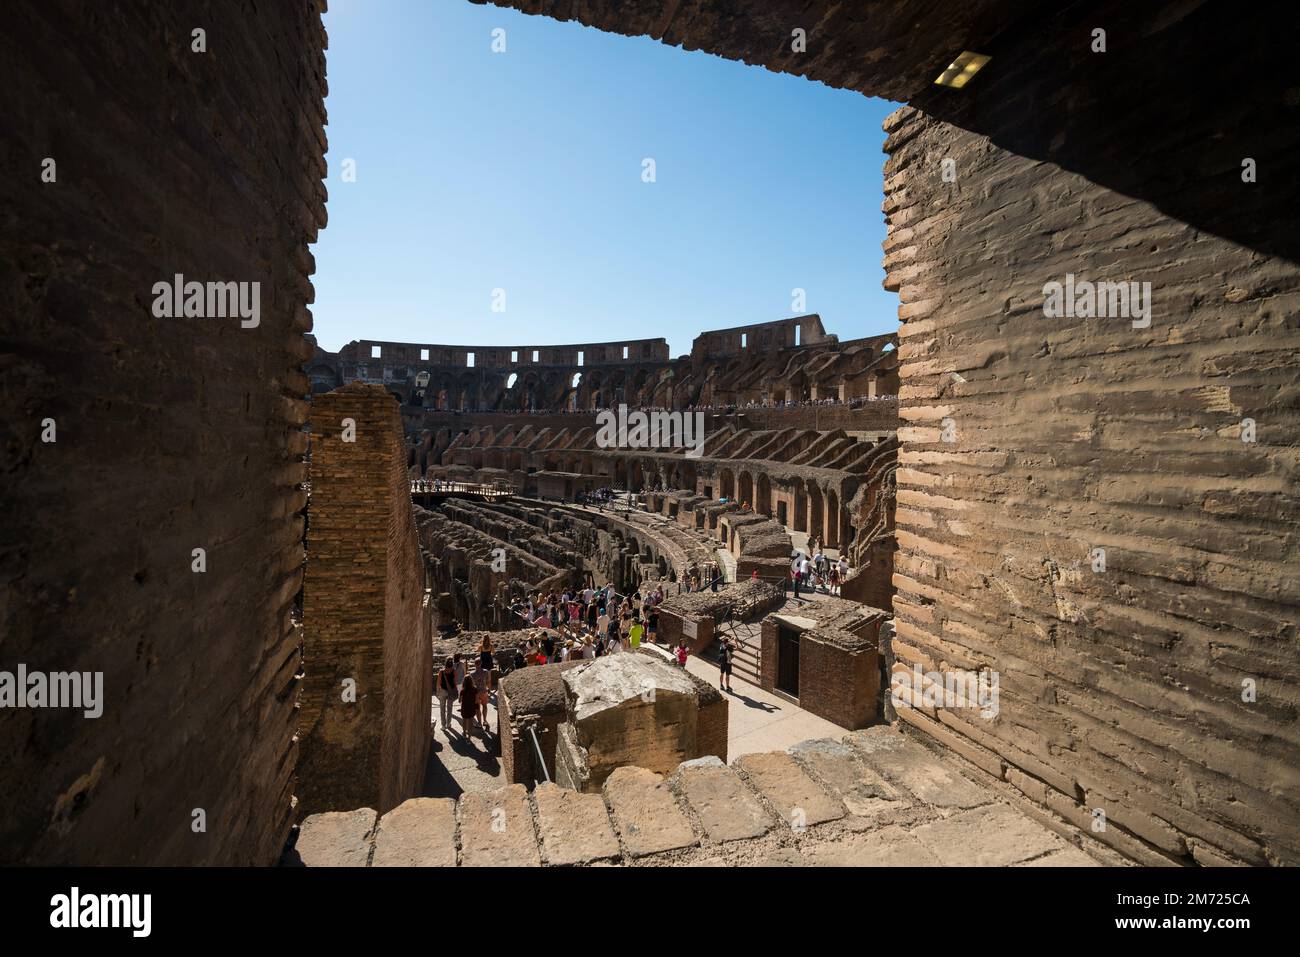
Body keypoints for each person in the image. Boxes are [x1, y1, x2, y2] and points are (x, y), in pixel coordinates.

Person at [435, 657, 457, 731]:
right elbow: (455, 682)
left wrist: (437, 692)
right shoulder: (453, 671)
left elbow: (438, 683)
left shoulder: (441, 672)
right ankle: (448, 724)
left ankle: (443, 725)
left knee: (442, 708)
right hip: (451, 692)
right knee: (449, 708)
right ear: (452, 665)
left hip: (443, 691)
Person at [473, 660, 491, 728]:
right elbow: (488, 681)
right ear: (481, 663)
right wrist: (489, 689)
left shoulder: (472, 674)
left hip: (476, 693)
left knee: (477, 708)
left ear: (475, 664)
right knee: (485, 706)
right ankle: (485, 720)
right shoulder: (485, 671)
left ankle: (479, 723)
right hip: (484, 691)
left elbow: (472, 684)